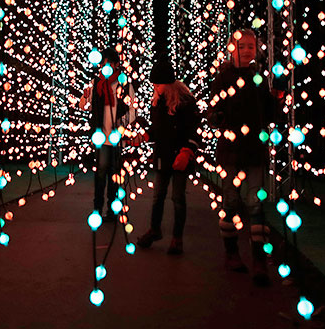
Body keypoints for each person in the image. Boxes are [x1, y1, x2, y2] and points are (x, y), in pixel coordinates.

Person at [206, 29, 276, 286]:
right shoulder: (222, 78)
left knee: (256, 202)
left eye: (251, 46)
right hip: (231, 151)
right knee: (231, 201)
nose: (247, 50)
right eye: (242, 46)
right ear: (231, 49)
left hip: (254, 149)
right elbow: (213, 110)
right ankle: (232, 253)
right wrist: (217, 117)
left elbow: (269, 112)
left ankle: (259, 260)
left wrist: (276, 99)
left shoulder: (258, 78)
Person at [135, 56, 200, 255]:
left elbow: (193, 130)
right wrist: (145, 136)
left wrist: (187, 151)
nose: (155, 87)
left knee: (178, 197)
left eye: (158, 83)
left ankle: (177, 238)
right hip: (163, 156)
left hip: (180, 157)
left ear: (168, 82)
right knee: (158, 196)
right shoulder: (158, 101)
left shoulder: (185, 102)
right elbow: (158, 129)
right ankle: (154, 229)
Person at [79, 47, 137, 218]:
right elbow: (84, 106)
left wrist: (121, 123)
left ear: (116, 64)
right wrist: (85, 97)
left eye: (109, 64)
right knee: (101, 173)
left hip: (116, 137)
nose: (106, 68)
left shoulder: (124, 85)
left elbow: (133, 111)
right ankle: (97, 208)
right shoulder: (96, 84)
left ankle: (111, 210)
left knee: (114, 174)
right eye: (104, 64)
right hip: (101, 137)